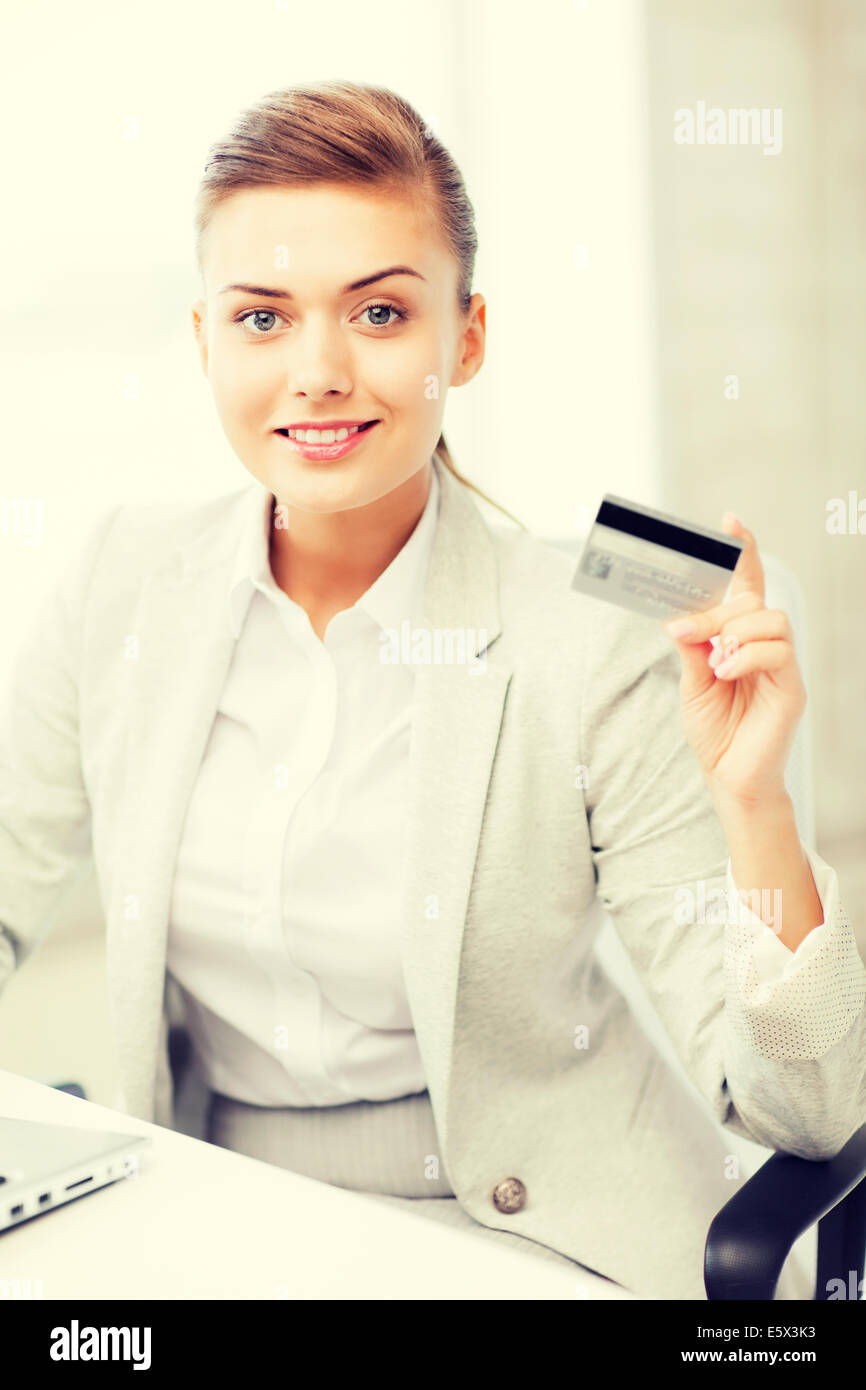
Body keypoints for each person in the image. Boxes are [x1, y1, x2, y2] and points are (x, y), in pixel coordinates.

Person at [1, 80, 864, 1302]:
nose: (318, 371)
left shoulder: (594, 638)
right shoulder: (121, 586)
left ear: (463, 337)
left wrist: (755, 805)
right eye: (261, 318)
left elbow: (805, 1111)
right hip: (211, 1217)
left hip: (531, 1236)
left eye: (378, 310)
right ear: (202, 341)